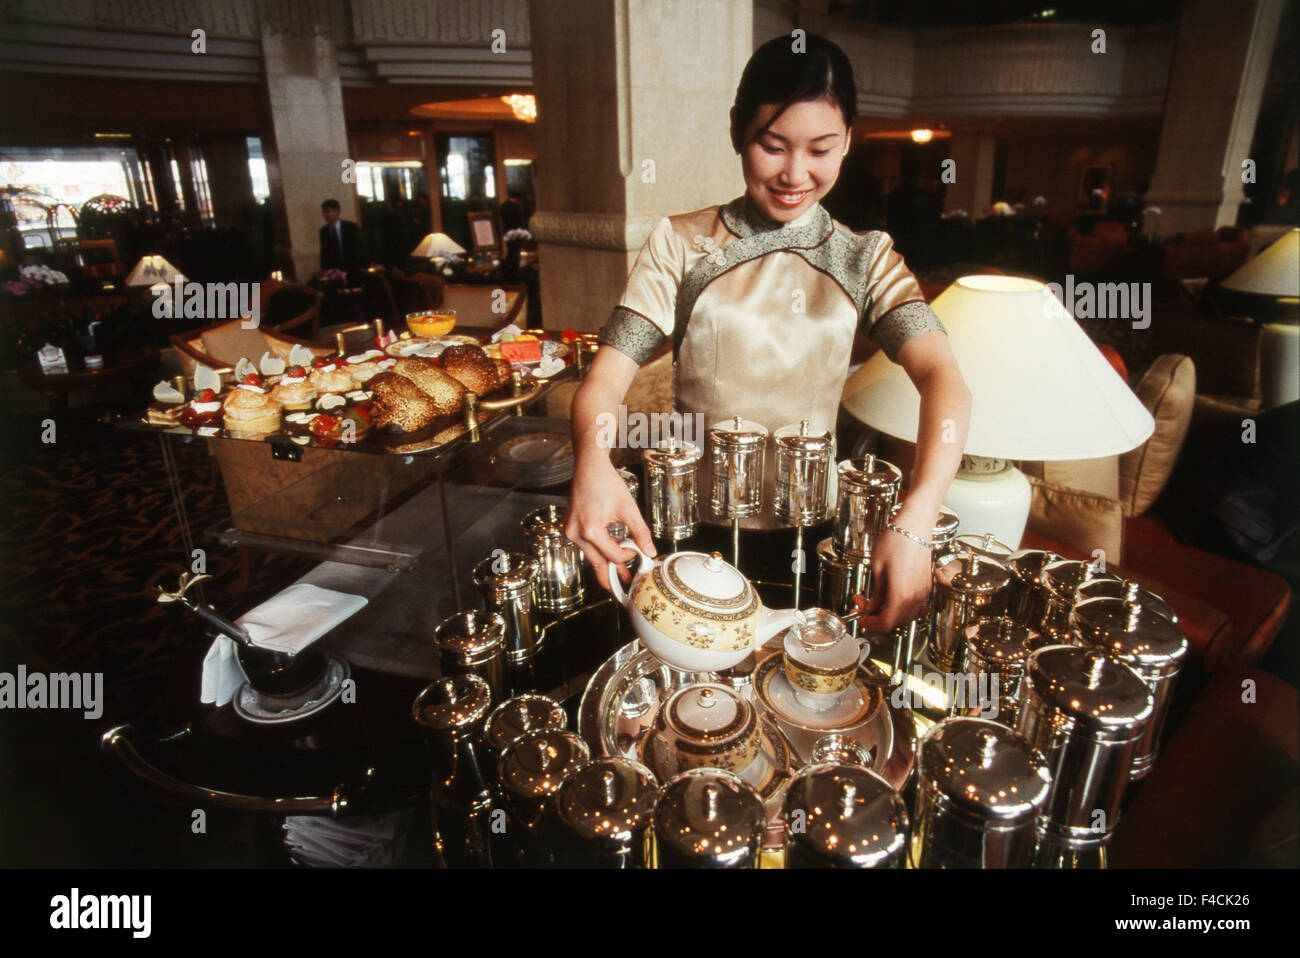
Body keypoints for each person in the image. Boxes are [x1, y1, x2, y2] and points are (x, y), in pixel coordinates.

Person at [565, 34, 972, 634]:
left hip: (817, 536)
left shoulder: (865, 257)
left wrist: (916, 520)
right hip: (687, 529)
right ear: (738, 133)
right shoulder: (681, 242)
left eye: (820, 150)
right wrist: (592, 466)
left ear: (848, 143)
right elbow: (604, 382)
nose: (794, 173)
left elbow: (945, 381)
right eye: (772, 146)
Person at [318, 199, 361, 275]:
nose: (326, 215)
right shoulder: (324, 231)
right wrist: (324, 269)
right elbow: (324, 253)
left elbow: (358, 248)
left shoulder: (351, 227)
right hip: (334, 271)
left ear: (337, 211)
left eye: (328, 211)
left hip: (352, 268)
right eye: (324, 212)